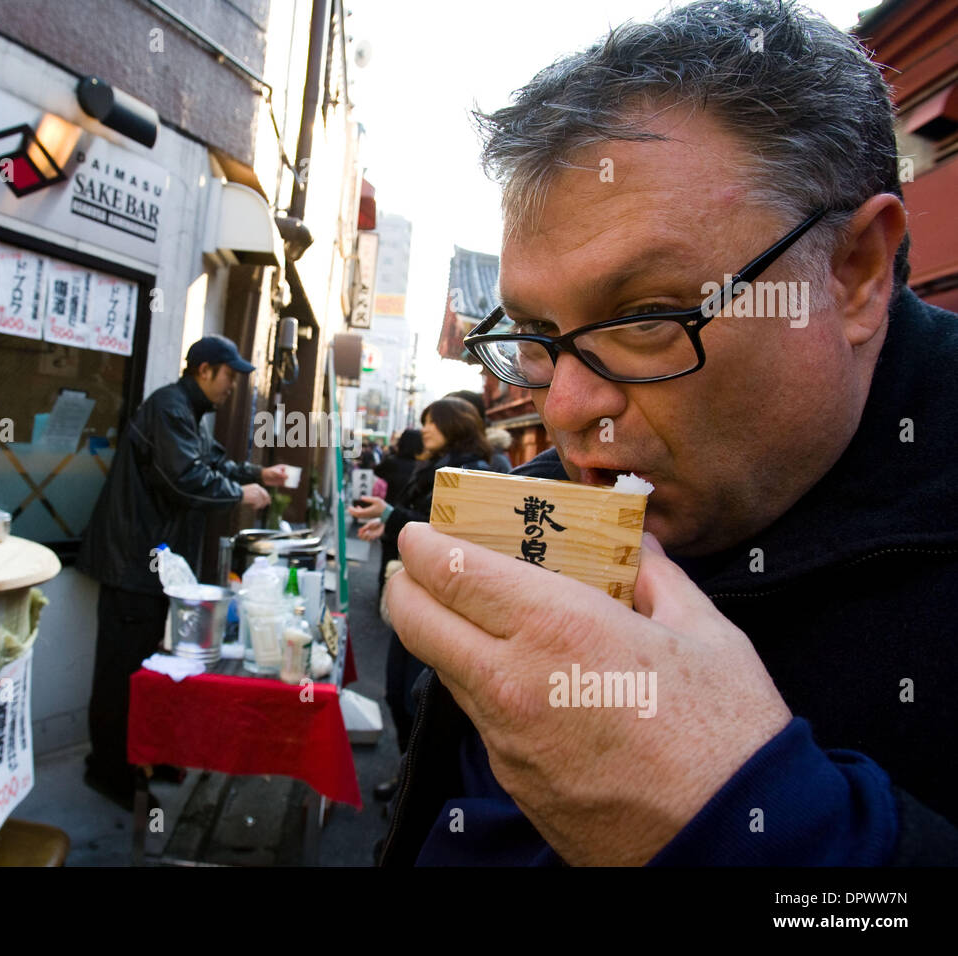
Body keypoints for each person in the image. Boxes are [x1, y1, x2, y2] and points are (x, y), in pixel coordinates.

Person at [379, 0, 958, 866]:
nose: (568, 409)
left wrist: (738, 826)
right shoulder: (525, 517)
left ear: (854, 273)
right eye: (537, 334)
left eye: (648, 316)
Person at [76, 335, 287, 809]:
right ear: (206, 370)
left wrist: (257, 476)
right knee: (123, 675)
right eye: (230, 375)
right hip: (133, 563)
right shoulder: (170, 408)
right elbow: (185, 479)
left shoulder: (186, 412)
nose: (233, 385)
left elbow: (211, 462)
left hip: (156, 568)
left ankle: (150, 759)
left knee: (154, 670)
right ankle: (108, 771)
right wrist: (240, 496)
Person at [348, 398, 493, 801]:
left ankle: (416, 792)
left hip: (443, 603)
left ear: (455, 426)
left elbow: (444, 535)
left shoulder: (470, 471)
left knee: (418, 699)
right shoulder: (440, 466)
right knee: (400, 693)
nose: (425, 429)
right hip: (421, 594)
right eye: (425, 422)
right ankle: (407, 779)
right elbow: (424, 522)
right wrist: (389, 520)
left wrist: (392, 516)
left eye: (433, 423)